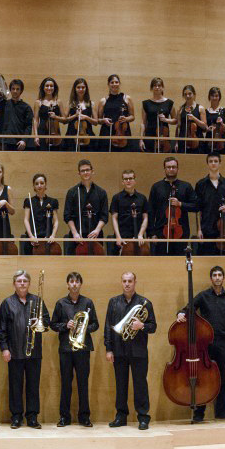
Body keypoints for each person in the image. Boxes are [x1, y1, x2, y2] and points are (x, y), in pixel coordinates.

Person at [176, 266, 225, 422]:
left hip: (224, 343)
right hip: (206, 345)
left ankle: (222, 411)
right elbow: (188, 308)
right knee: (203, 378)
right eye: (214, 275)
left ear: (223, 278)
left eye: (220, 275)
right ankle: (199, 414)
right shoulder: (203, 296)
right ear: (211, 279)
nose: (217, 277)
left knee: (222, 377)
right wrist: (180, 313)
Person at [0, 270, 48, 429]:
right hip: (15, 352)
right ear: (14, 283)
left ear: (29, 283)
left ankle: (32, 417)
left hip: (34, 352)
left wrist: (39, 323)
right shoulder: (7, 303)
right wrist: (4, 349)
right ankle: (16, 417)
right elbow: (1, 329)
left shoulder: (37, 300)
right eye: (19, 281)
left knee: (33, 385)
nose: (22, 283)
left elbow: (47, 322)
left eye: (25, 281)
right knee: (15, 385)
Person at [104, 271, 156, 430]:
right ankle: (121, 416)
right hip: (119, 350)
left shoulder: (145, 303)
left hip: (138, 351)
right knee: (120, 384)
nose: (127, 284)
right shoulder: (113, 302)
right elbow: (108, 327)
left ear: (135, 282)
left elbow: (153, 327)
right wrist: (108, 349)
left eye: (130, 281)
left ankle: (143, 417)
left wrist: (141, 326)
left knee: (140, 384)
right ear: (121, 282)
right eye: (124, 281)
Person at [50, 272, 98, 427]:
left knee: (83, 383)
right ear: (67, 284)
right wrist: (65, 325)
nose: (74, 284)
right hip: (66, 349)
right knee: (65, 383)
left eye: (77, 282)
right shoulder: (60, 303)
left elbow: (95, 324)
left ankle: (84, 417)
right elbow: (53, 324)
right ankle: (64, 417)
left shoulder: (88, 302)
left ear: (81, 284)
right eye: (71, 281)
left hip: (83, 349)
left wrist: (83, 327)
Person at [145, 156, 197, 256]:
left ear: (177, 168)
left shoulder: (186, 186)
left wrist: (180, 204)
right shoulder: (156, 187)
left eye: (174, 167)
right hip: (161, 231)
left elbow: (195, 206)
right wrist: (151, 233)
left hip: (181, 232)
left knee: (180, 262)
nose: (171, 169)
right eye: (168, 167)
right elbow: (151, 211)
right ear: (164, 169)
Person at [63, 159, 108, 255]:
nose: (86, 172)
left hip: (96, 235)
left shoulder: (101, 192)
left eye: (88, 170)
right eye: (83, 171)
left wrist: (97, 230)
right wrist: (75, 233)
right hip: (77, 236)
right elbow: (67, 216)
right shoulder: (72, 192)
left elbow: (104, 216)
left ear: (92, 171)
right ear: (79, 173)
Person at [195, 153, 225, 256]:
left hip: (223, 229)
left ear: (220, 163)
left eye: (216, 161)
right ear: (207, 164)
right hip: (206, 228)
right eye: (210, 161)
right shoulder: (200, 184)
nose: (213, 164)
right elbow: (198, 209)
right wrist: (199, 230)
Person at [0, 75, 32, 151]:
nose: (15, 91)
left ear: (21, 91)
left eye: (17, 89)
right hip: (4, 142)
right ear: (10, 90)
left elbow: (29, 126)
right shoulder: (3, 103)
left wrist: (24, 140)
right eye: (13, 89)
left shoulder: (26, 107)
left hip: (19, 143)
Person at [109, 169, 149, 255]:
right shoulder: (117, 198)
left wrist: (141, 234)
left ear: (135, 180)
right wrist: (118, 237)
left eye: (130, 178)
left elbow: (145, 218)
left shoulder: (142, 198)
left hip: (138, 237)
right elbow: (114, 219)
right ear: (122, 182)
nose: (128, 181)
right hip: (122, 237)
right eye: (125, 179)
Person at [21, 173, 59, 255]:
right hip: (32, 240)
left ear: (45, 185)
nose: (39, 185)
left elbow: (55, 221)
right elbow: (26, 220)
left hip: (47, 239)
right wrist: (31, 237)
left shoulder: (53, 201)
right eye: (36, 184)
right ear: (34, 186)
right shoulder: (29, 201)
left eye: (42, 183)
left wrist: (53, 235)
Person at [96, 73, 133, 153]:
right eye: (112, 82)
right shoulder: (103, 100)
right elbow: (98, 120)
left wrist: (126, 118)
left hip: (123, 132)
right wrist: (103, 120)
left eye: (116, 82)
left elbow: (132, 116)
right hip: (107, 131)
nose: (114, 84)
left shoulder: (127, 98)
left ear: (119, 83)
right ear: (108, 84)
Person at [138, 77, 175, 153]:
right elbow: (143, 123)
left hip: (163, 136)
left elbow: (175, 120)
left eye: (159, 85)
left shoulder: (169, 103)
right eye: (155, 85)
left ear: (162, 88)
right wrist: (141, 139)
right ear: (151, 88)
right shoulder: (146, 103)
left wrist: (166, 120)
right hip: (149, 135)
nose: (157, 87)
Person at [64, 77, 98, 149]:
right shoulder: (70, 103)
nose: (81, 89)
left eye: (83, 87)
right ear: (75, 89)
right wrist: (75, 115)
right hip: (72, 134)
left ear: (86, 89)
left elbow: (96, 122)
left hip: (87, 135)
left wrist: (86, 117)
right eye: (78, 87)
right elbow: (64, 120)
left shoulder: (91, 103)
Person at [173, 84, 206, 155]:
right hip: (183, 140)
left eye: (190, 94)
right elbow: (178, 127)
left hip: (197, 141)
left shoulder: (200, 108)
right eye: (185, 94)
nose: (187, 96)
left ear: (194, 94)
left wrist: (194, 118)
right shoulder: (180, 109)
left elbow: (204, 126)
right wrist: (176, 142)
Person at [34, 77, 64, 151]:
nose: (49, 88)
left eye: (51, 86)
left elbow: (64, 119)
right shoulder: (38, 102)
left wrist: (56, 117)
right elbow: (35, 120)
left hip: (56, 133)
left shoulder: (58, 102)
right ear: (43, 88)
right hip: (42, 132)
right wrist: (36, 136)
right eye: (47, 86)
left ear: (54, 88)